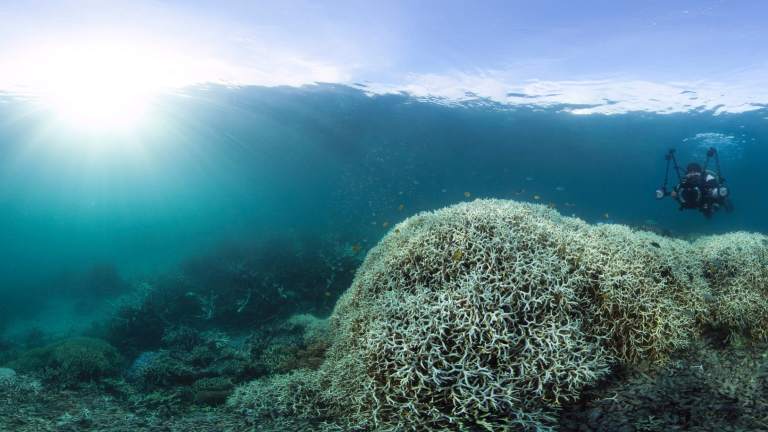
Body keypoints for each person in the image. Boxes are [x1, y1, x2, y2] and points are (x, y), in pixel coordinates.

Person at [656, 147, 732, 218]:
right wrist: (673, 193)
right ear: (687, 173)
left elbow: (716, 189)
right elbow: (675, 192)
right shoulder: (684, 181)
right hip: (694, 202)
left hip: (707, 201)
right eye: (690, 172)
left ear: (700, 172)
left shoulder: (707, 177)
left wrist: (713, 192)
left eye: (695, 172)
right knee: (707, 213)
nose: (693, 174)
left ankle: (721, 205)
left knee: (711, 210)